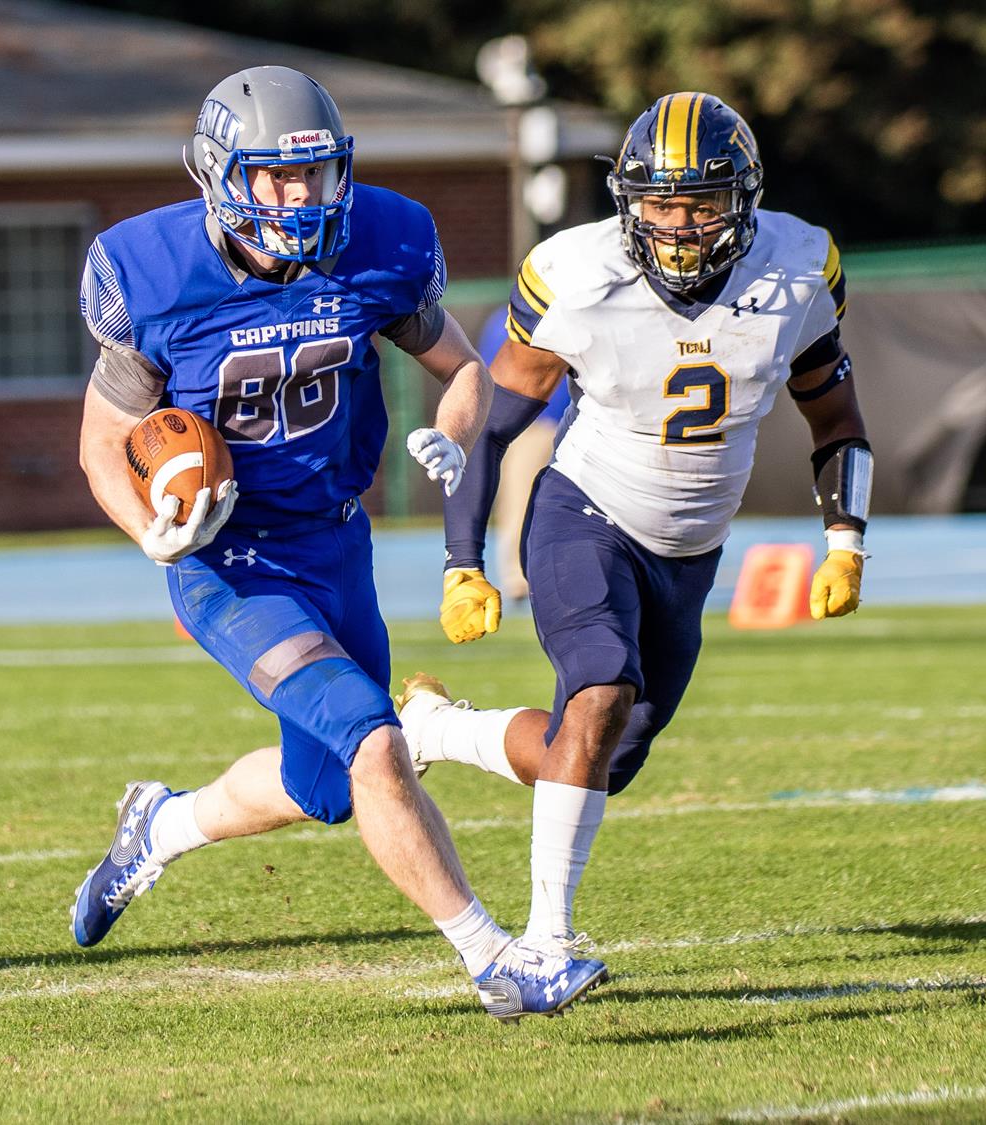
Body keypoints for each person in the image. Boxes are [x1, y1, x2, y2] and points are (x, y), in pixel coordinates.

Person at [68, 65, 609, 1018]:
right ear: (220, 173)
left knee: (319, 786)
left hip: (336, 541)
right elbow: (99, 443)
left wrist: (456, 427)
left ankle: (160, 825)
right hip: (231, 558)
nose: (297, 197)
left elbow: (463, 366)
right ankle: (498, 963)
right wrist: (152, 531)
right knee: (370, 739)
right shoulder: (155, 273)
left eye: (312, 174)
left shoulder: (376, 247)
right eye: (274, 176)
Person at [398, 92, 871, 949]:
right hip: (586, 514)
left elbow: (836, 421)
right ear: (627, 201)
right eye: (658, 204)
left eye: (700, 204)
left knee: (603, 755)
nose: (680, 226)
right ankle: (546, 943)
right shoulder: (578, 276)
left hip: (690, 553)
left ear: (745, 200)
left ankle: (437, 728)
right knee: (601, 688)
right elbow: (496, 427)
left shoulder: (800, 268)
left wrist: (846, 542)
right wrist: (461, 558)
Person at [475, 306, 573, 603]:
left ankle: (522, 574)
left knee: (516, 498)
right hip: (538, 425)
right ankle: (519, 576)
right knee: (521, 497)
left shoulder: (499, 320)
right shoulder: (513, 321)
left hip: (516, 422)